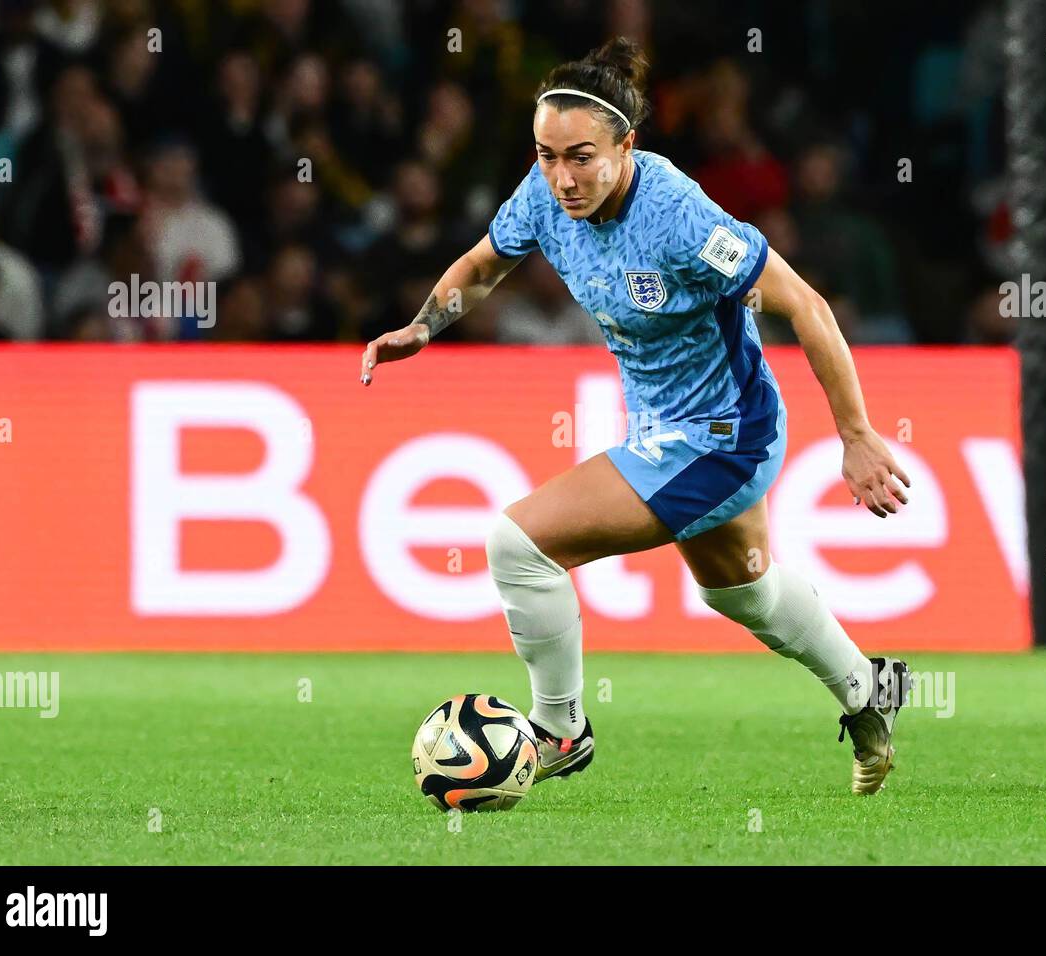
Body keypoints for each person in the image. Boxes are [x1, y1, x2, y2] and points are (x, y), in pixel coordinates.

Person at [361, 38, 913, 796]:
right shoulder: (545, 194)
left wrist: (856, 436)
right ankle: (866, 690)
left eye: (581, 157)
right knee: (742, 592)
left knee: (517, 546)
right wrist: (424, 325)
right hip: (662, 428)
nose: (562, 177)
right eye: (547, 155)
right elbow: (486, 263)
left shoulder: (679, 216)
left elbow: (806, 306)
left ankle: (560, 730)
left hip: (722, 436)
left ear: (628, 145)